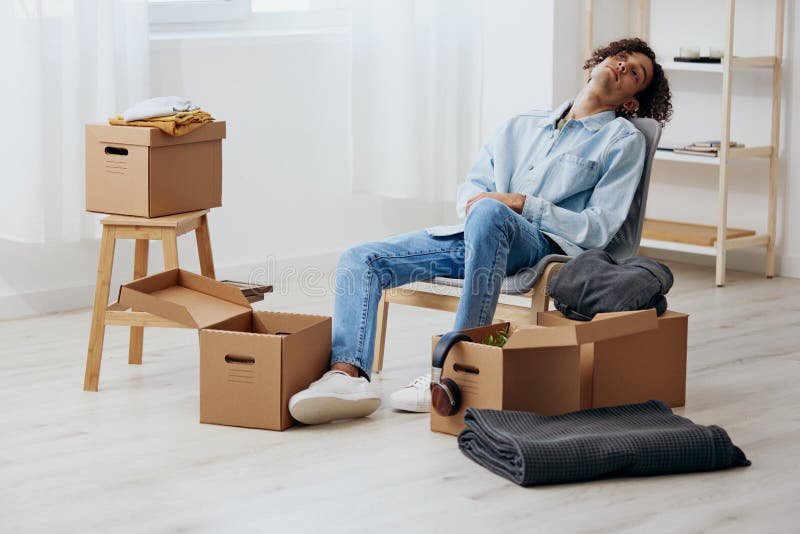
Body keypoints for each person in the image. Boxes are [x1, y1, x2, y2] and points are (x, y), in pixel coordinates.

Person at [288, 37, 673, 424]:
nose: (622, 66)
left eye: (634, 72)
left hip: (539, 247)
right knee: (361, 259)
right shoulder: (520, 126)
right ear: (601, 61)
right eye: (620, 57)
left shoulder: (623, 141)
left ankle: (457, 369)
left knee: (491, 213)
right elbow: (473, 189)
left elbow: (599, 228)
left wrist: (522, 203)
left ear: (631, 102)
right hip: (479, 234)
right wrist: (486, 208)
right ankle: (346, 377)